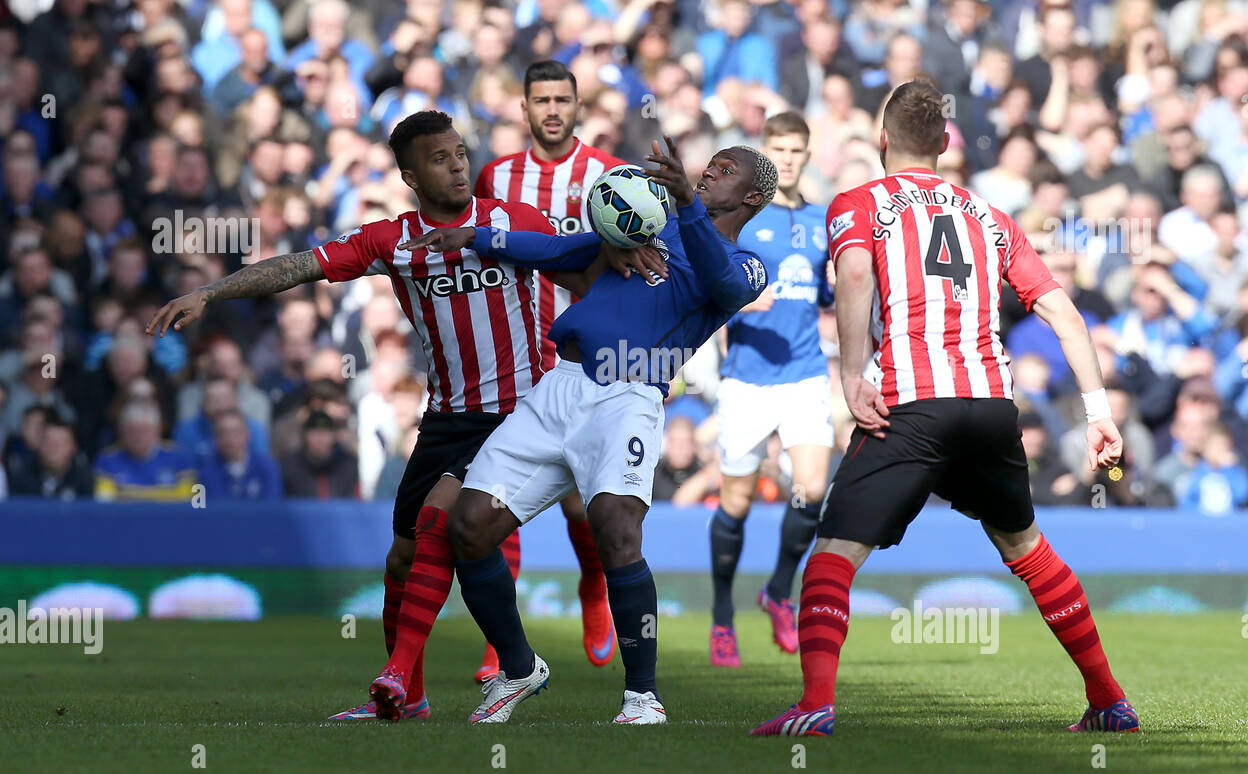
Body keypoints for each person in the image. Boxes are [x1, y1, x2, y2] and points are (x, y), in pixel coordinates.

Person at [146, 111, 660, 721]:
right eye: (440, 159)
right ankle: (410, 697)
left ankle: (413, 673)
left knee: (442, 520)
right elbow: (299, 266)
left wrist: (626, 261)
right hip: (446, 416)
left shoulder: (509, 221)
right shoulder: (392, 241)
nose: (458, 167)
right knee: (400, 557)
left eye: (460, 154)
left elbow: (578, 269)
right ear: (410, 174)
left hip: (521, 406)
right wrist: (212, 291)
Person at [751, 80, 1137, 737]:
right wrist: (1099, 410)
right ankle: (1109, 701)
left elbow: (853, 278)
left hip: (912, 405)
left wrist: (849, 376)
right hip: (989, 407)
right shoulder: (990, 215)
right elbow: (1063, 312)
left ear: (881, 141)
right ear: (945, 143)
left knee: (832, 555)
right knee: (1027, 547)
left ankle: (816, 704)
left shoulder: (860, 203)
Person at [376, 136, 776, 725]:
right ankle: (518, 669)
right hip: (558, 385)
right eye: (709, 165)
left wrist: (688, 203)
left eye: (725, 171)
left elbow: (721, 283)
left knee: (615, 531)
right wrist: (477, 237)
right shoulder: (650, 227)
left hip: (628, 397)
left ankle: (642, 696)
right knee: (469, 526)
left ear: (754, 196)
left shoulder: (746, 264)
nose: (710, 173)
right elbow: (559, 250)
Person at [471, 59, 626, 678]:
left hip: (582, 361)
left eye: (563, 98)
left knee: (578, 507)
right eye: (542, 100)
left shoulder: (608, 176)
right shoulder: (495, 177)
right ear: (524, 108)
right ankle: (499, 642)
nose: (553, 110)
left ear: (578, 105)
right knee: (495, 493)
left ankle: (594, 587)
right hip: (510, 356)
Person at [708, 110, 834, 666]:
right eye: (778, 149)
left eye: (796, 150)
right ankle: (721, 616)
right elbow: (706, 287)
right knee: (734, 502)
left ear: (808, 155)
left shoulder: (823, 219)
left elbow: (826, 294)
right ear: (765, 153)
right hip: (748, 378)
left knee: (811, 488)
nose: (787, 158)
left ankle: (779, 590)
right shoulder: (739, 217)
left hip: (806, 372)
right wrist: (736, 297)